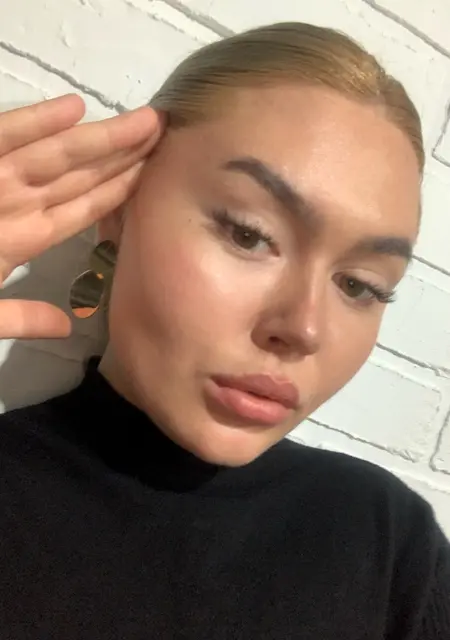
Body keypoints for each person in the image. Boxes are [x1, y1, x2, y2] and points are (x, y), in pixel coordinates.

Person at [0, 21, 449, 639]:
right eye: (248, 233)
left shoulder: (391, 544)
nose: (304, 327)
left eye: (359, 285)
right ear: (119, 212)